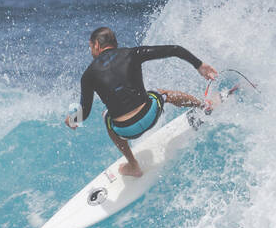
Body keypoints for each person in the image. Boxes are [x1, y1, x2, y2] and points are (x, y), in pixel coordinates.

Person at [65, 27, 218, 177]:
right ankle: (204, 106)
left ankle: (133, 166)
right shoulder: (132, 53)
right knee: (164, 94)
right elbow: (175, 49)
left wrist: (72, 121)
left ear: (97, 45)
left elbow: (84, 113)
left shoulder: (88, 75)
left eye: (91, 47)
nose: (91, 51)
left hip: (125, 130)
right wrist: (199, 65)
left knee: (107, 117)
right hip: (150, 115)